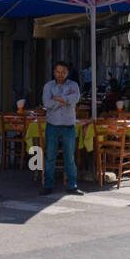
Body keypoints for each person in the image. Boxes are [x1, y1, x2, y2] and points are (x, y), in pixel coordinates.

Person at [41, 61, 85, 196]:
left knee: (69, 156)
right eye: (57, 72)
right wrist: (65, 100)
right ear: (54, 72)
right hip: (52, 125)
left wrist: (58, 99)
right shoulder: (48, 86)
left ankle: (72, 185)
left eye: (63, 72)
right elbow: (46, 102)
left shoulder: (74, 85)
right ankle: (48, 185)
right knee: (50, 156)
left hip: (68, 125)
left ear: (67, 73)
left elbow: (76, 97)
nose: (60, 75)